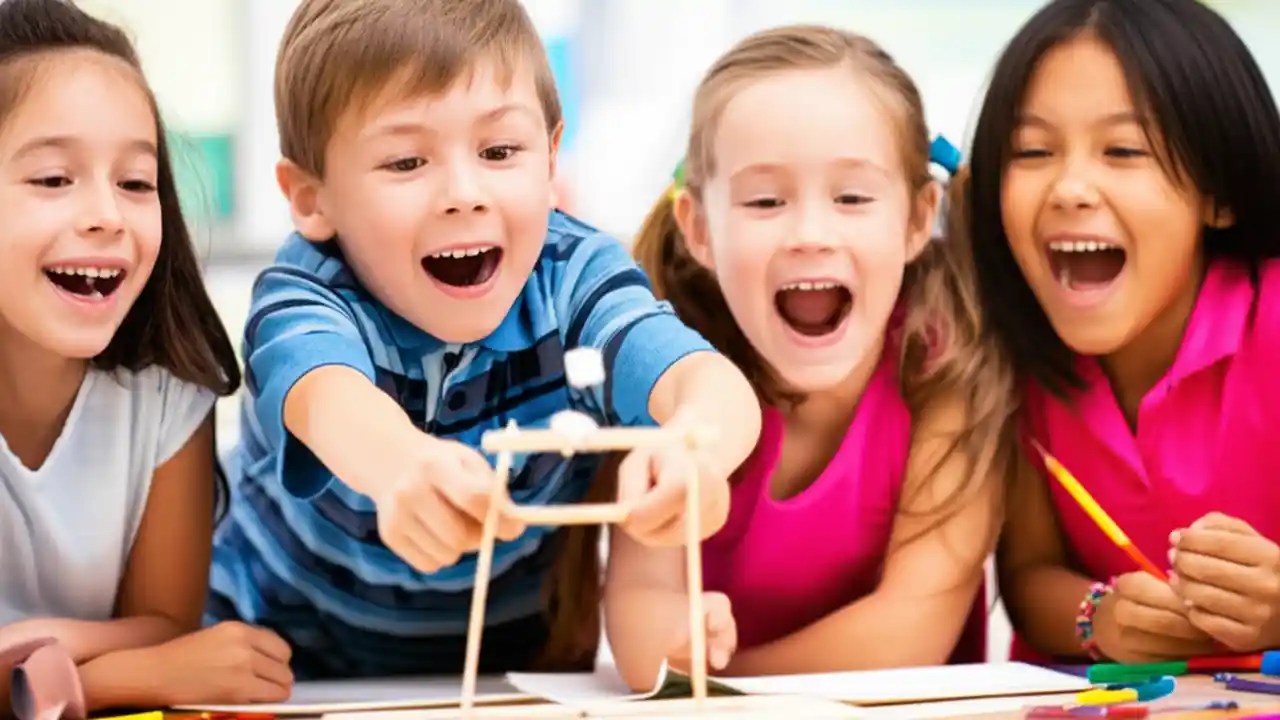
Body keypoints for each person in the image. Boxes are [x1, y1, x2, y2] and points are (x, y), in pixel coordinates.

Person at [207, 0, 761, 679]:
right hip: (277, 659)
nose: (463, 194)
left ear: (551, 157)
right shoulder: (305, 293)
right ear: (312, 198)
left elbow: (704, 381)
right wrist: (402, 466)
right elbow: (326, 399)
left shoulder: (574, 278)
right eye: (407, 162)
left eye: (500, 151)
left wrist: (693, 445)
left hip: (503, 669)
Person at [605, 24, 1017, 688]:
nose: (810, 234)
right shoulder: (673, 378)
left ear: (918, 219)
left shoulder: (951, 375)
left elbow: (910, 628)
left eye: (853, 198)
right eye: (765, 201)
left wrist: (724, 682)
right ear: (700, 230)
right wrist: (676, 643)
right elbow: (639, 613)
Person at [0, 0, 294, 713]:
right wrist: (111, 678)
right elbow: (167, 658)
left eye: (136, 182)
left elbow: (167, 625)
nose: (107, 213)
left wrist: (31, 644)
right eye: (51, 179)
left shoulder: (167, 398)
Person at [964, 0, 1280, 663]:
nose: (1070, 187)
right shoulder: (1006, 348)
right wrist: (1098, 620)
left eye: (1123, 149)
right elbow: (1028, 575)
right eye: (1032, 150)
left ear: (1220, 191)